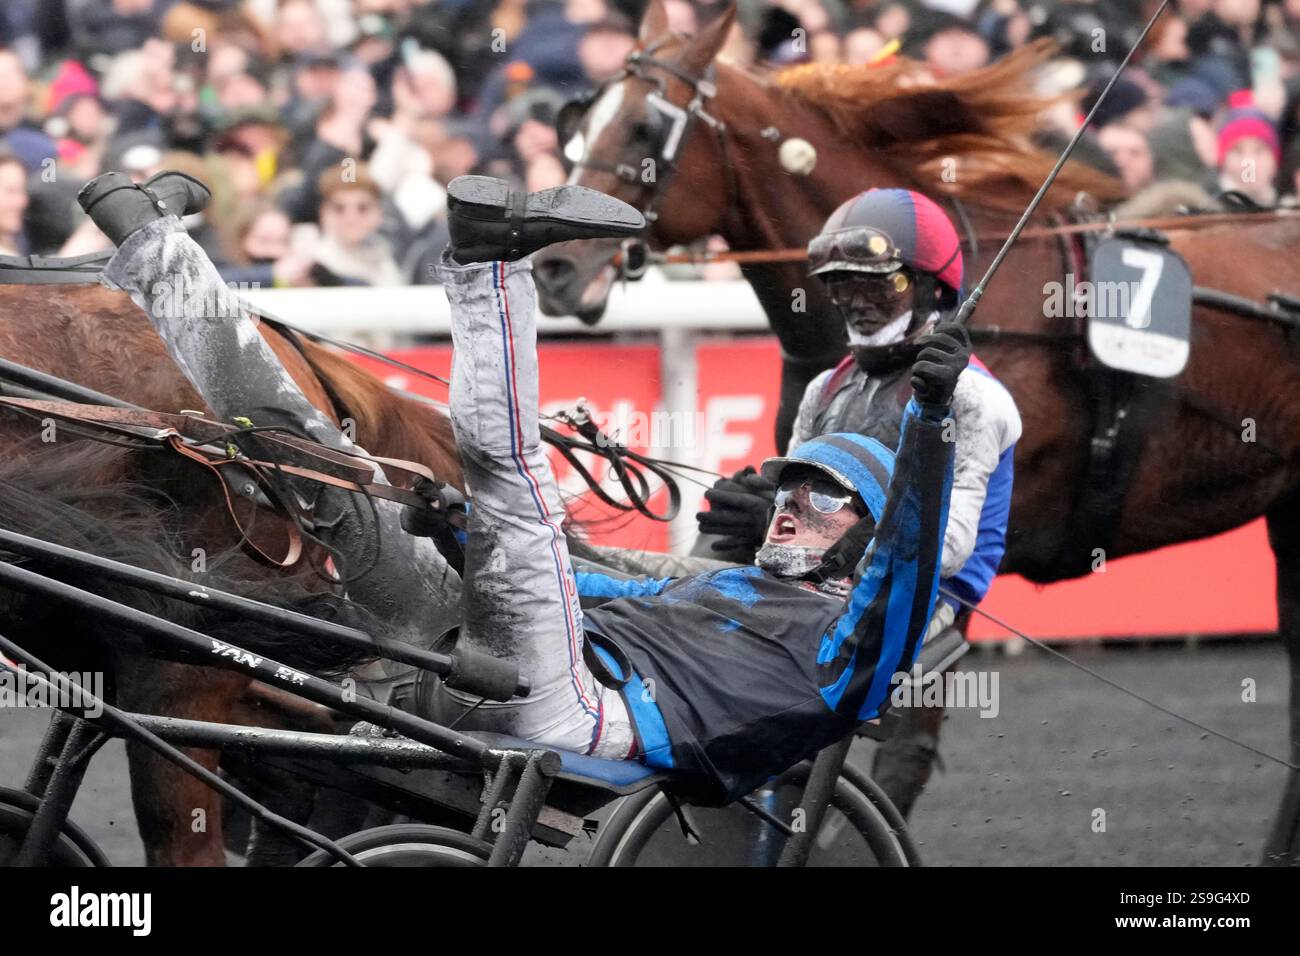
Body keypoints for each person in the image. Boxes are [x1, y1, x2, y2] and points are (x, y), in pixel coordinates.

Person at [75, 170, 967, 805]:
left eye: (821, 499)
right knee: (317, 466)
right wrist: (455, 534)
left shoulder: (861, 637)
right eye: (792, 487)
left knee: (514, 488)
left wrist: (928, 416)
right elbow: (588, 583)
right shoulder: (728, 584)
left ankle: (487, 268)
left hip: (577, 712)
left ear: (861, 537)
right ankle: (157, 249)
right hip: (494, 656)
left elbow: (915, 551)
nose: (790, 505)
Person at [697, 187, 1021, 813]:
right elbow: (795, 500)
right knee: (695, 562)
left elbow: (947, 547)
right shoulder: (825, 388)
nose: (859, 302)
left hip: (918, 603)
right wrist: (766, 511)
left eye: (882, 284)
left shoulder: (978, 399)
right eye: (843, 286)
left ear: (933, 289)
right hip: (818, 583)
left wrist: (829, 538)